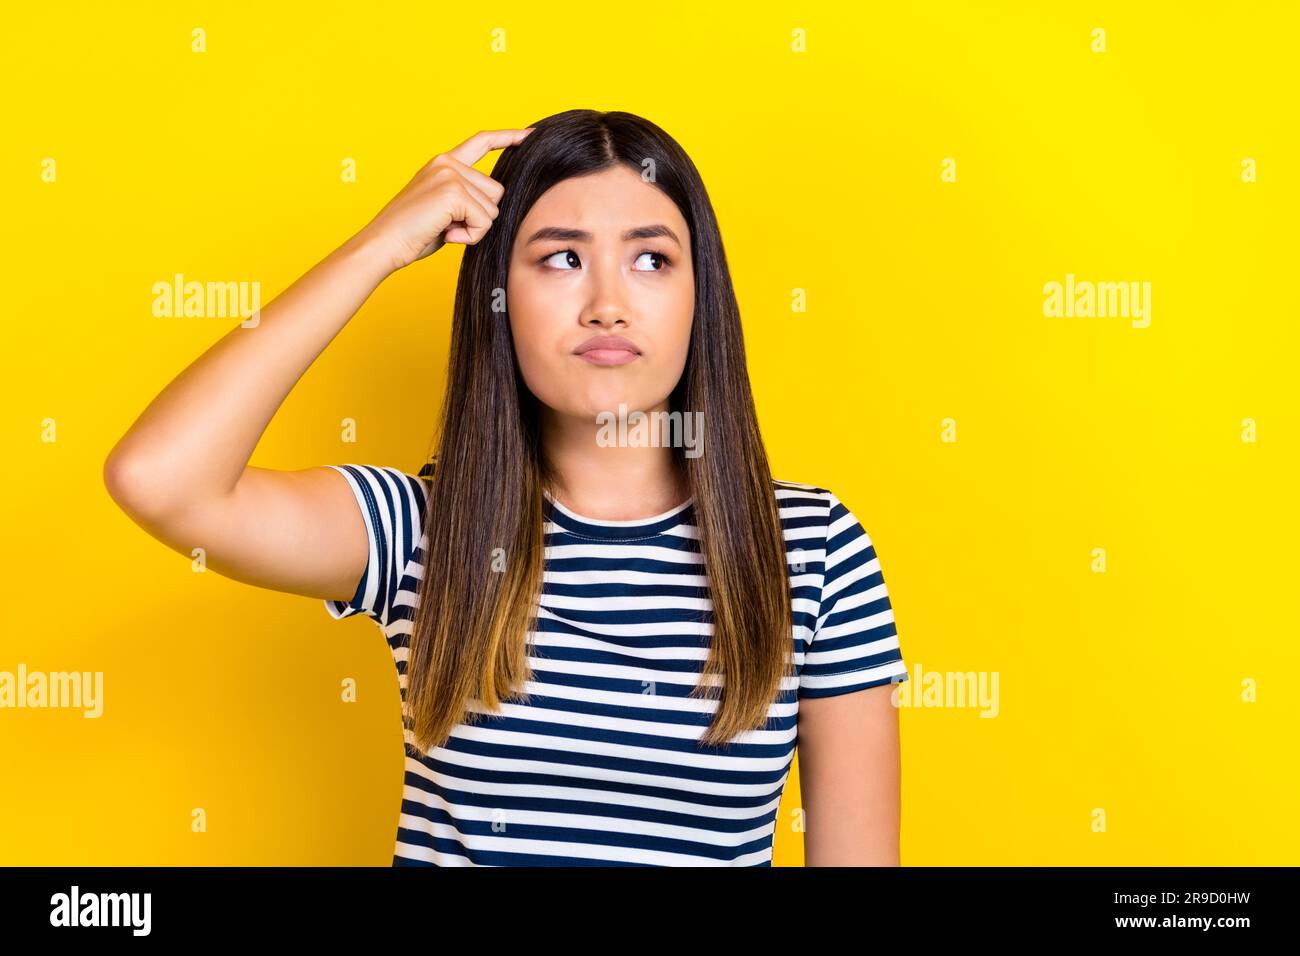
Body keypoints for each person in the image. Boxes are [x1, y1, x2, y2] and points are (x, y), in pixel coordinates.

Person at [104, 109, 909, 866]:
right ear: (497, 296)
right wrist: (378, 247)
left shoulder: (815, 549)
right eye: (561, 257)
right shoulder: (420, 530)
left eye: (651, 259)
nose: (606, 306)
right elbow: (160, 481)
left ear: (702, 297)